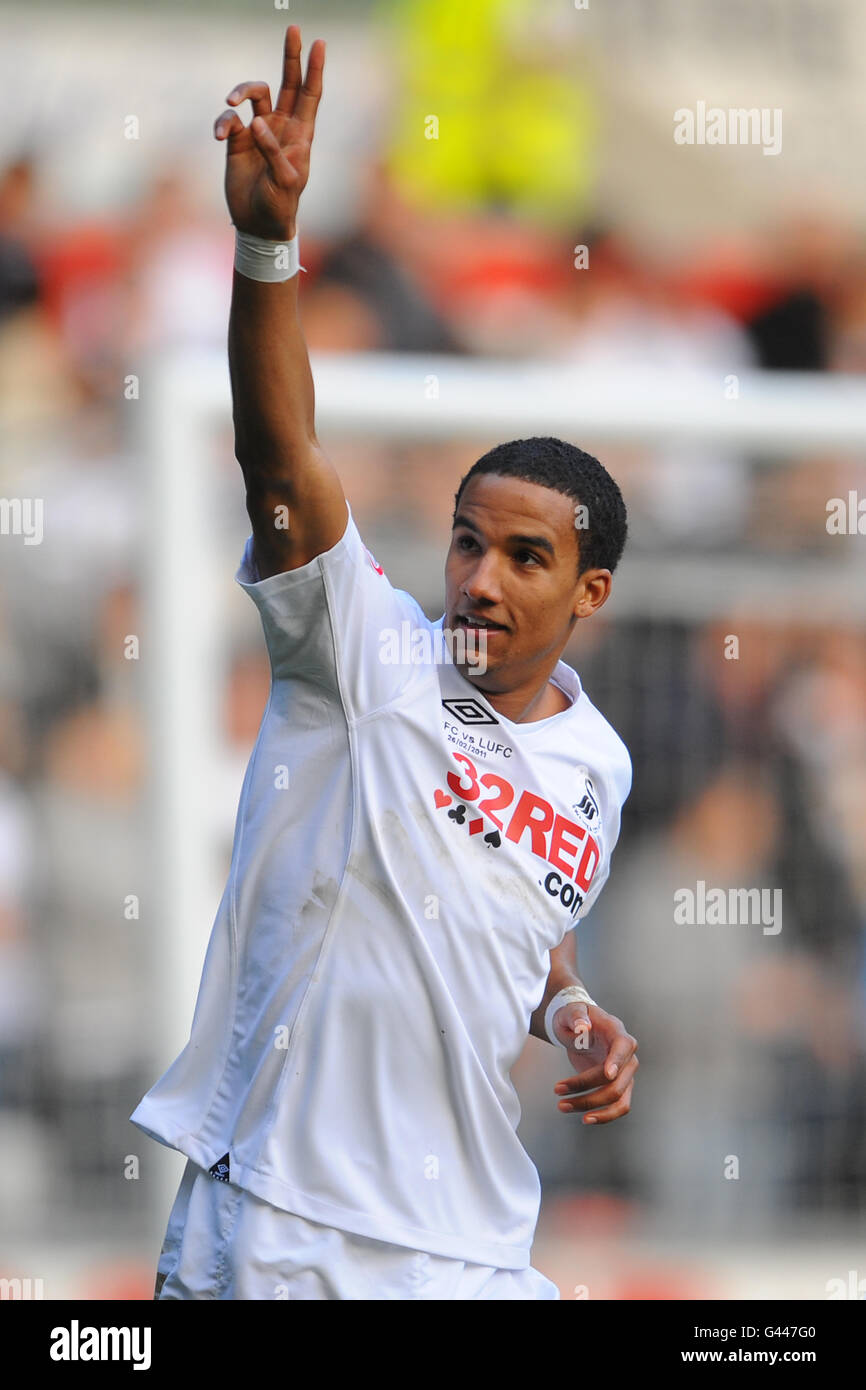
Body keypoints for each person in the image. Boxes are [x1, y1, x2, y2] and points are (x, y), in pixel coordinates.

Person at [130, 25, 638, 1301]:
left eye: (523, 557)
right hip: (288, 1230)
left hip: (476, 1244)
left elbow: (526, 932)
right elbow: (280, 456)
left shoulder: (598, 763)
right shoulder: (364, 652)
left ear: (590, 594)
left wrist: (569, 1011)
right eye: (467, 541)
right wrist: (266, 245)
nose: (477, 575)